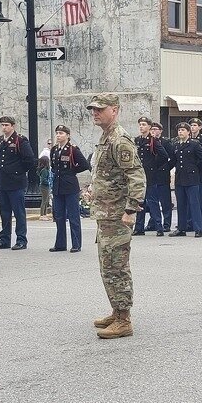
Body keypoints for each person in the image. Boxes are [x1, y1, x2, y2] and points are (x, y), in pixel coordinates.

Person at [84, 93, 145, 339]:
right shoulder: (106, 137)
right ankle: (116, 310)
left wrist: (131, 210)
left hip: (118, 215)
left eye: (100, 109)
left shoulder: (120, 139)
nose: (95, 113)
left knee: (116, 266)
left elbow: (136, 176)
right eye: (93, 109)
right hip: (106, 214)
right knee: (107, 265)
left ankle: (124, 319)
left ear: (115, 110)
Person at [0, 116, 36, 251]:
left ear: (13, 126)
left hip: (16, 182)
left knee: (18, 213)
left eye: (6, 125)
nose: (4, 128)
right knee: (4, 213)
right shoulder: (0, 140)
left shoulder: (20, 140)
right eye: (2, 125)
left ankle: (21, 239)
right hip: (3, 182)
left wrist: (18, 171)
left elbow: (29, 160)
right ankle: (4, 239)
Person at [50, 125, 91, 252]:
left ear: (67, 135)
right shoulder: (54, 150)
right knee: (59, 217)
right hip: (58, 186)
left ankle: (76, 244)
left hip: (70, 186)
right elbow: (53, 166)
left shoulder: (73, 150)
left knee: (73, 216)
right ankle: (60, 244)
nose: (58, 135)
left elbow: (85, 164)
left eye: (61, 133)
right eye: (57, 133)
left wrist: (72, 171)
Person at [169, 122, 202, 238]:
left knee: (194, 204)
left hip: (192, 178)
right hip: (180, 178)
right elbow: (173, 161)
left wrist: (196, 169)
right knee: (181, 204)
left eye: (183, 130)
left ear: (188, 132)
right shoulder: (176, 145)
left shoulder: (194, 144)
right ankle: (182, 228)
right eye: (179, 130)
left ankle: (198, 228)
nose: (180, 132)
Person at [134, 119, 170, 237]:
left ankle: (159, 227)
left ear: (149, 127)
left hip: (150, 175)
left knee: (153, 202)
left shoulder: (153, 140)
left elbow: (164, 155)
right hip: (139, 175)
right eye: (140, 125)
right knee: (140, 202)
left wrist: (154, 166)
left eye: (144, 125)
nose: (141, 127)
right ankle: (139, 227)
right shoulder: (137, 140)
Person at [37, 156, 52, 220]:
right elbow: (44, 179)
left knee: (46, 200)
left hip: (44, 186)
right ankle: (42, 215)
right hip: (44, 186)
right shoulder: (45, 170)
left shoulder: (44, 170)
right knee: (44, 200)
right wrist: (49, 182)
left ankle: (45, 214)